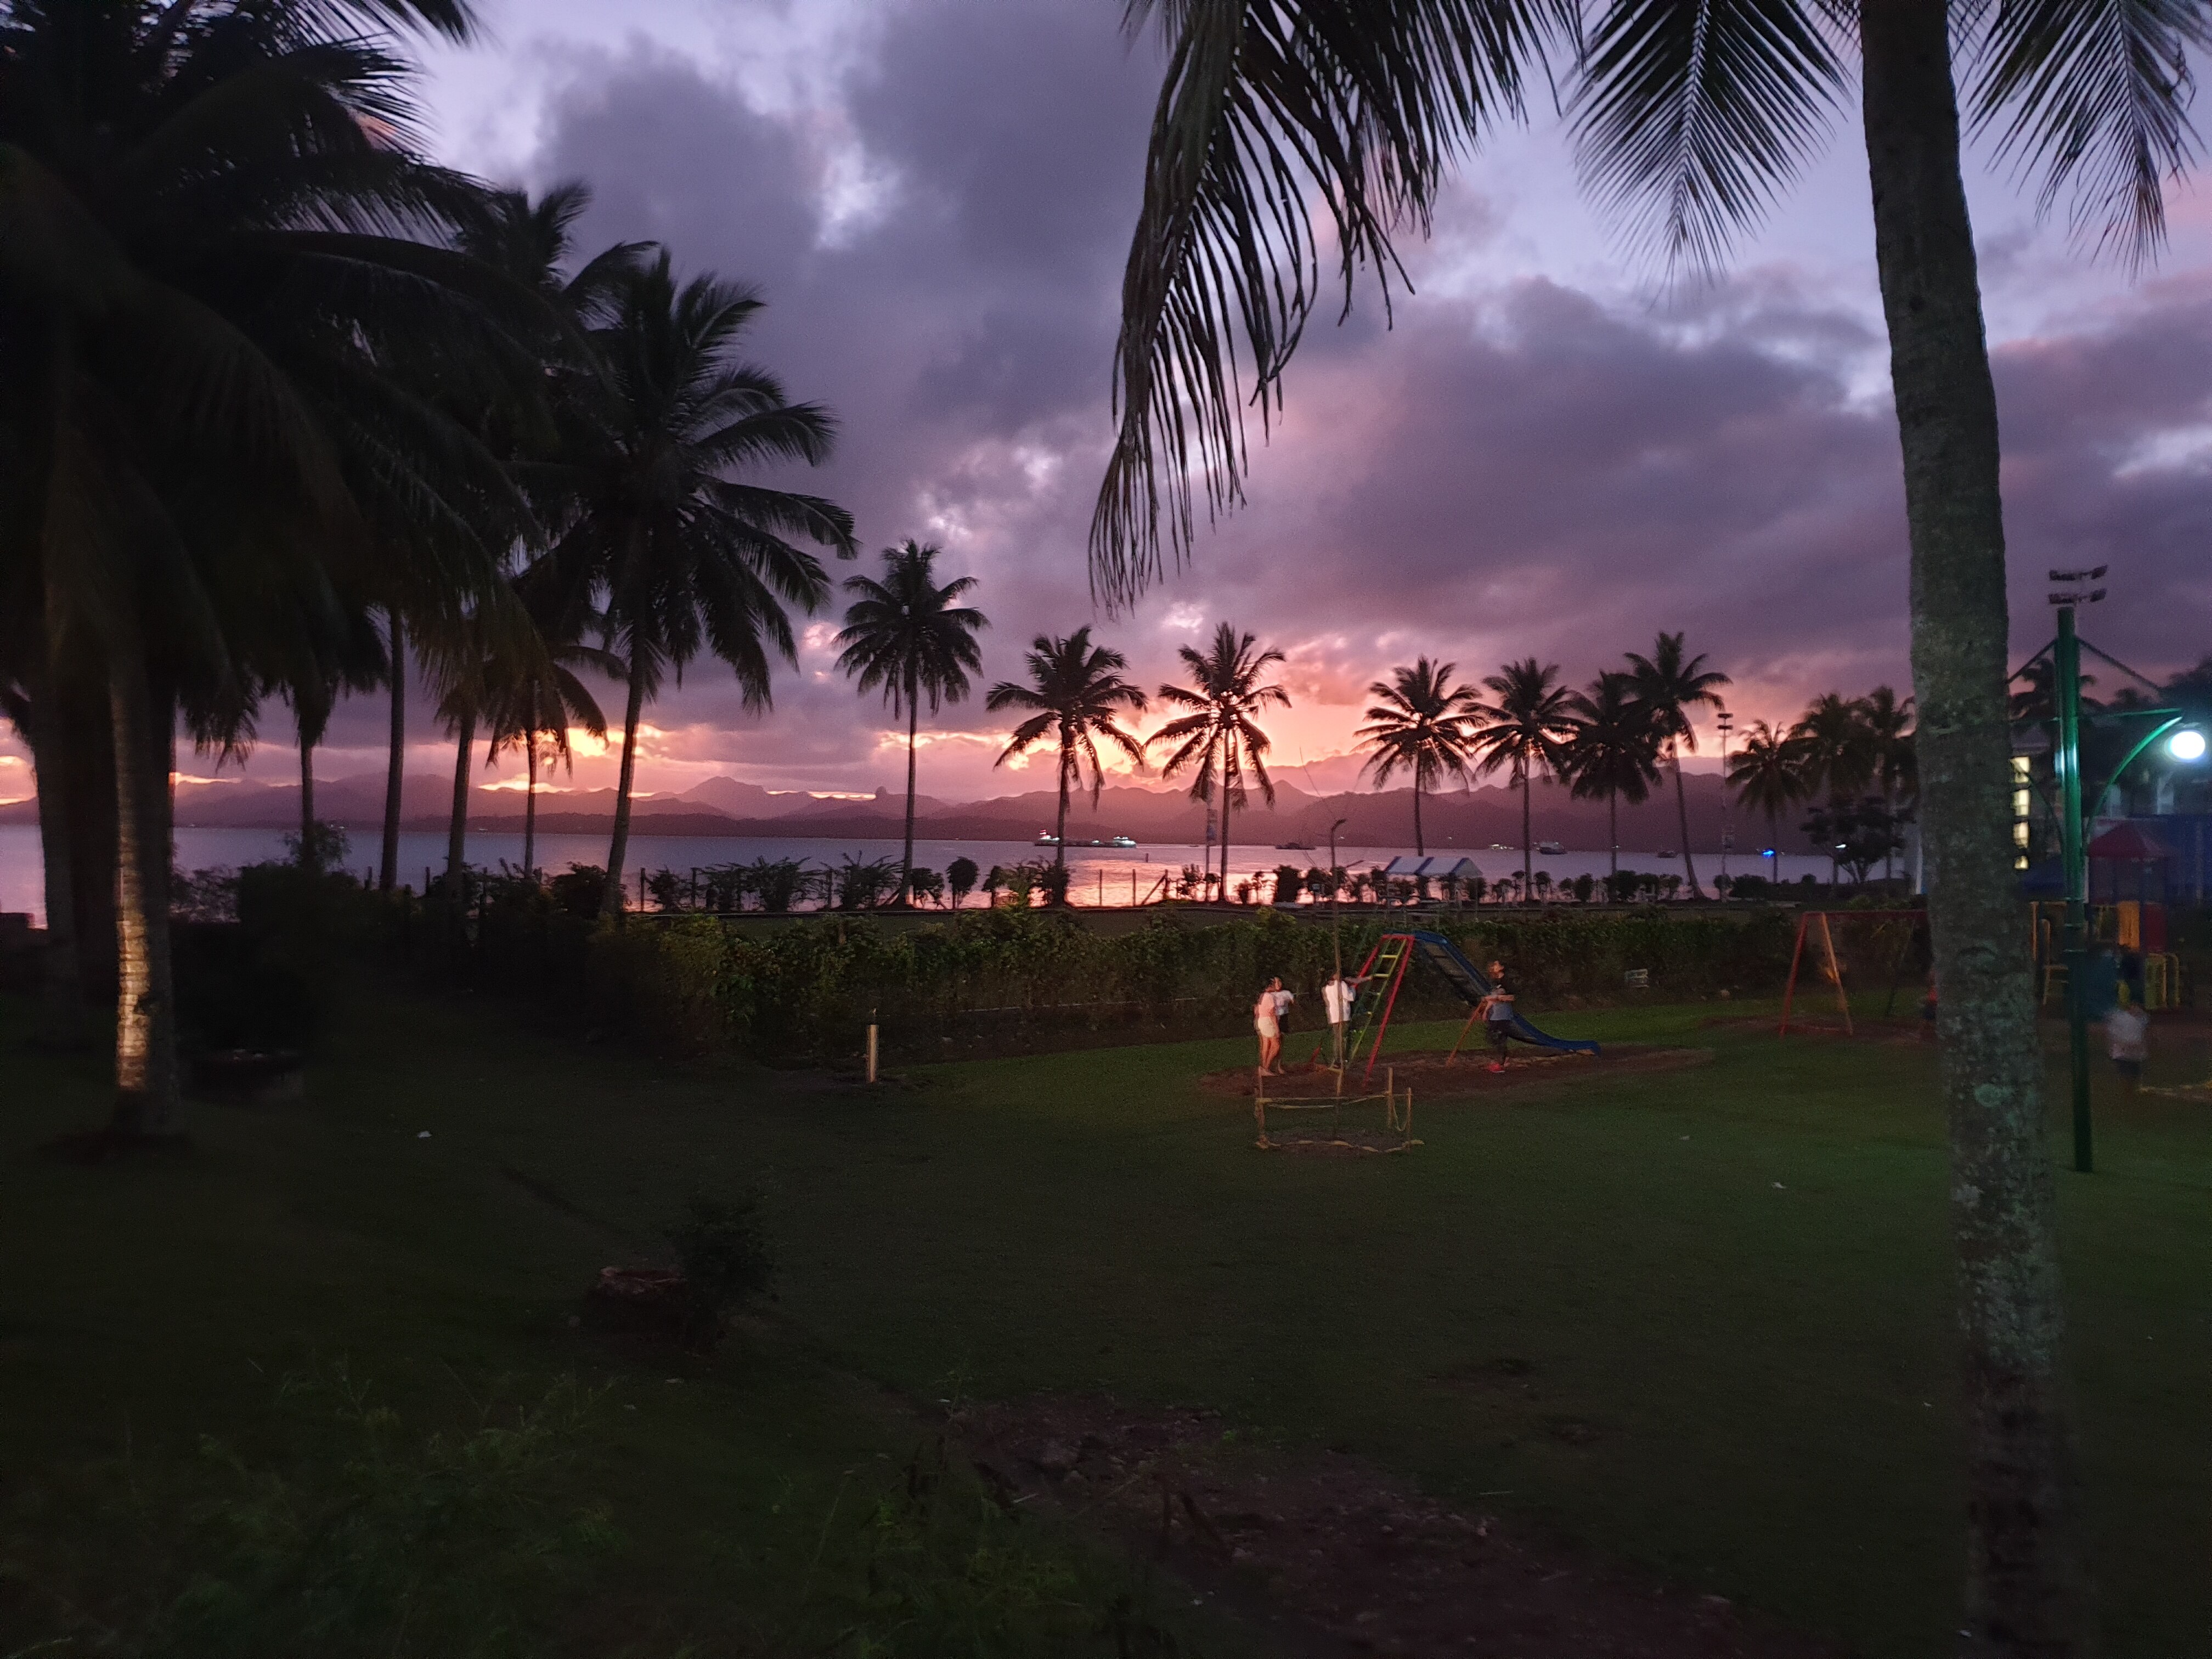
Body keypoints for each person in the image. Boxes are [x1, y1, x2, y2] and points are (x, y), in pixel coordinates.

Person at [1321, 969, 1365, 1066]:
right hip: (1343, 1016)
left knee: (1337, 1038)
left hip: (1333, 1017)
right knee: (1343, 1038)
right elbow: (1350, 997)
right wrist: (1353, 989)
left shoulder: (1326, 988)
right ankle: (1342, 1059)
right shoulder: (1341, 985)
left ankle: (1337, 1059)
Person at [2106, 996, 2148, 1094]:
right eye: (2134, 1007)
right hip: (2123, 1052)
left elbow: (2143, 1034)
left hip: (2135, 1053)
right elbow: (2114, 1033)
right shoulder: (2120, 1018)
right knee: (2125, 1073)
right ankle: (2127, 1091)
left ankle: (2131, 1091)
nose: (2137, 1009)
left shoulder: (2142, 1019)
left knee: (2134, 1074)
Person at [1480, 960, 1516, 1074]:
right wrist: (1486, 1011)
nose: (1494, 966)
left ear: (1501, 967)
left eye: (1496, 964)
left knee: (1500, 1038)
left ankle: (1500, 1064)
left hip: (1504, 1015)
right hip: (1495, 1015)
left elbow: (1512, 998)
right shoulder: (1494, 982)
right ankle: (1505, 1058)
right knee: (1491, 1036)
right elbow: (1492, 998)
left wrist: (1497, 998)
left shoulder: (1507, 981)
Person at [1253, 981, 1283, 1076]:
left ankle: (1263, 1067)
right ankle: (1266, 1068)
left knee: (1266, 1045)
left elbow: (1256, 1010)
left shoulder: (1262, 996)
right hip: (1267, 1021)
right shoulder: (1270, 997)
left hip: (1261, 1020)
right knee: (1276, 1046)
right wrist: (1277, 1028)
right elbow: (1272, 1013)